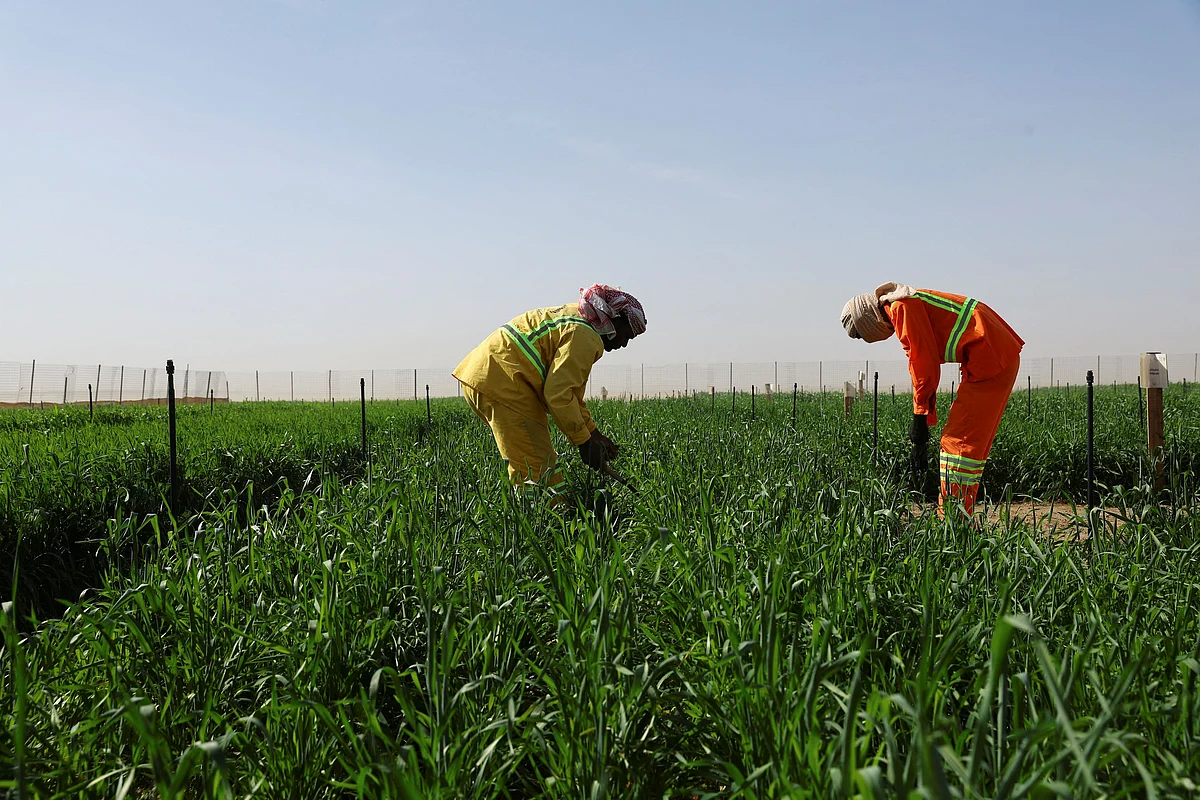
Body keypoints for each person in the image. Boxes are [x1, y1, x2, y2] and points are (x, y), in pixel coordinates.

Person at [841, 282, 1023, 516]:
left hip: (990, 356)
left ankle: (953, 519)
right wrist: (924, 418)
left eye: (859, 335)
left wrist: (919, 418)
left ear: (866, 321)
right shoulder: (901, 305)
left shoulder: (901, 307)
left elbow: (922, 363)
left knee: (958, 443)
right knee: (967, 446)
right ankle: (959, 516)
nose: (863, 340)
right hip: (992, 353)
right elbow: (924, 361)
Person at [453, 284, 646, 498]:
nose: (624, 344)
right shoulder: (585, 336)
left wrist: (592, 432)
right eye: (626, 335)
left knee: (533, 463)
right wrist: (584, 443)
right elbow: (559, 394)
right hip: (507, 384)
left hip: (489, 376)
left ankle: (539, 519)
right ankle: (545, 525)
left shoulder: (579, 320)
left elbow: (569, 393)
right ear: (614, 319)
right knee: (538, 473)